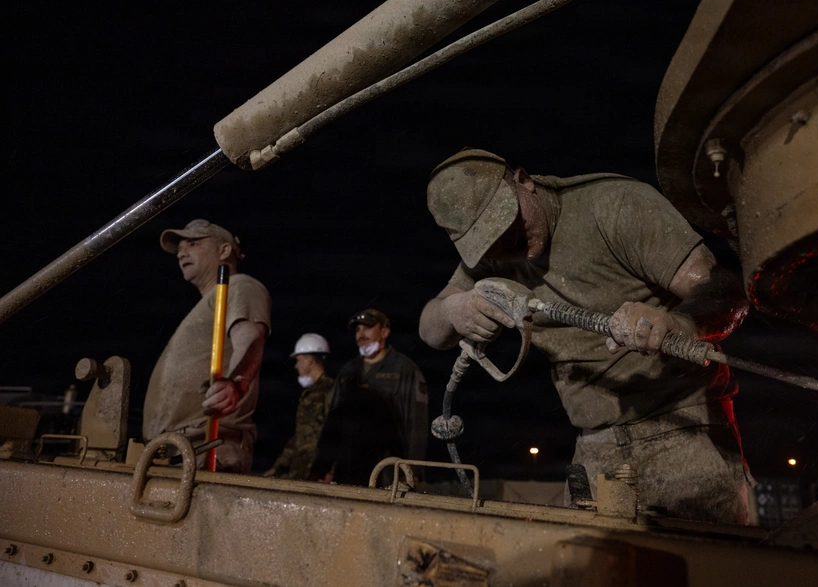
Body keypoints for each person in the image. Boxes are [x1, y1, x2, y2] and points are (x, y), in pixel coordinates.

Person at [419, 149, 752, 524]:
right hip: (594, 446)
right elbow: (430, 330)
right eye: (489, 240)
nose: (507, 243)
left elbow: (725, 293)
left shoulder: (614, 205)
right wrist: (453, 310)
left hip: (684, 429)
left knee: (701, 557)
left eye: (507, 222)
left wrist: (677, 324)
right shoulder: (492, 253)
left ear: (524, 181)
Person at [143, 219, 271, 473]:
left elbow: (251, 337)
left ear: (224, 250)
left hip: (207, 449)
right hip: (178, 451)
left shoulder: (240, 285)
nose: (181, 253)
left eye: (193, 243)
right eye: (180, 248)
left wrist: (237, 382)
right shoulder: (207, 303)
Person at [312, 308, 429, 484]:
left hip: (387, 469)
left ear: (384, 332)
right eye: (358, 330)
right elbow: (333, 422)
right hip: (349, 468)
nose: (361, 335)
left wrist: (413, 470)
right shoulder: (348, 371)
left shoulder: (404, 369)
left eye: (367, 328)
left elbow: (417, 423)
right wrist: (324, 467)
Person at [263, 333, 336, 480]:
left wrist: (333, 472)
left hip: (317, 473)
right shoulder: (310, 393)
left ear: (310, 361)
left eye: (298, 360)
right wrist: (279, 466)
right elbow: (300, 435)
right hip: (301, 471)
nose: (296, 366)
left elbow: (337, 434)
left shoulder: (331, 391)